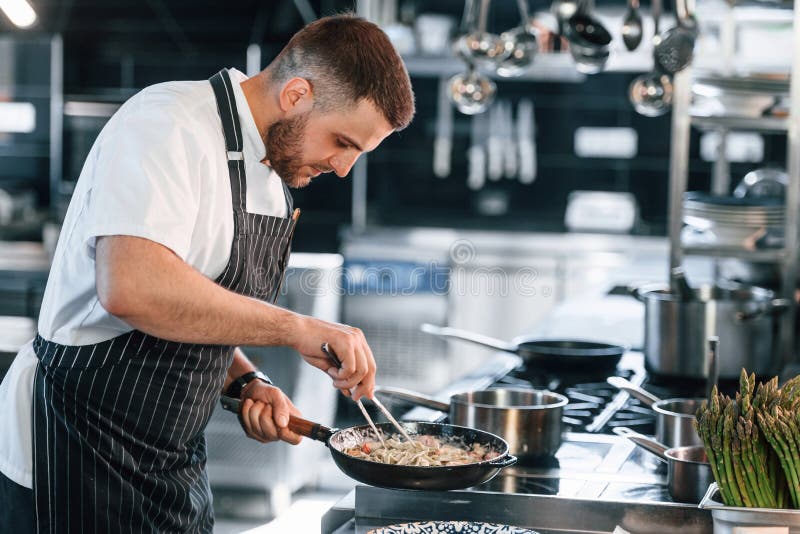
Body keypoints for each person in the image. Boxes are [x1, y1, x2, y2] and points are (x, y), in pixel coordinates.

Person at [0, 13, 415, 533]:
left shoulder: (269, 170)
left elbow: (191, 299)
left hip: (168, 462)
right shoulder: (169, 123)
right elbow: (133, 288)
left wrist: (246, 379)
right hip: (75, 445)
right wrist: (297, 328)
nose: (342, 167)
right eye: (343, 143)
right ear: (297, 95)